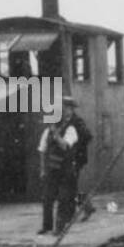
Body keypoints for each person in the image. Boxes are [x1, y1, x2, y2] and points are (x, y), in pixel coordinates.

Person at [38, 98, 80, 234]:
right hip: (51, 169)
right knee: (47, 198)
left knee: (63, 198)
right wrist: (42, 169)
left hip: (65, 170)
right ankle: (47, 226)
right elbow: (42, 150)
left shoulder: (71, 129)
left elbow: (64, 146)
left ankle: (59, 227)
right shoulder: (47, 131)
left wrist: (56, 134)